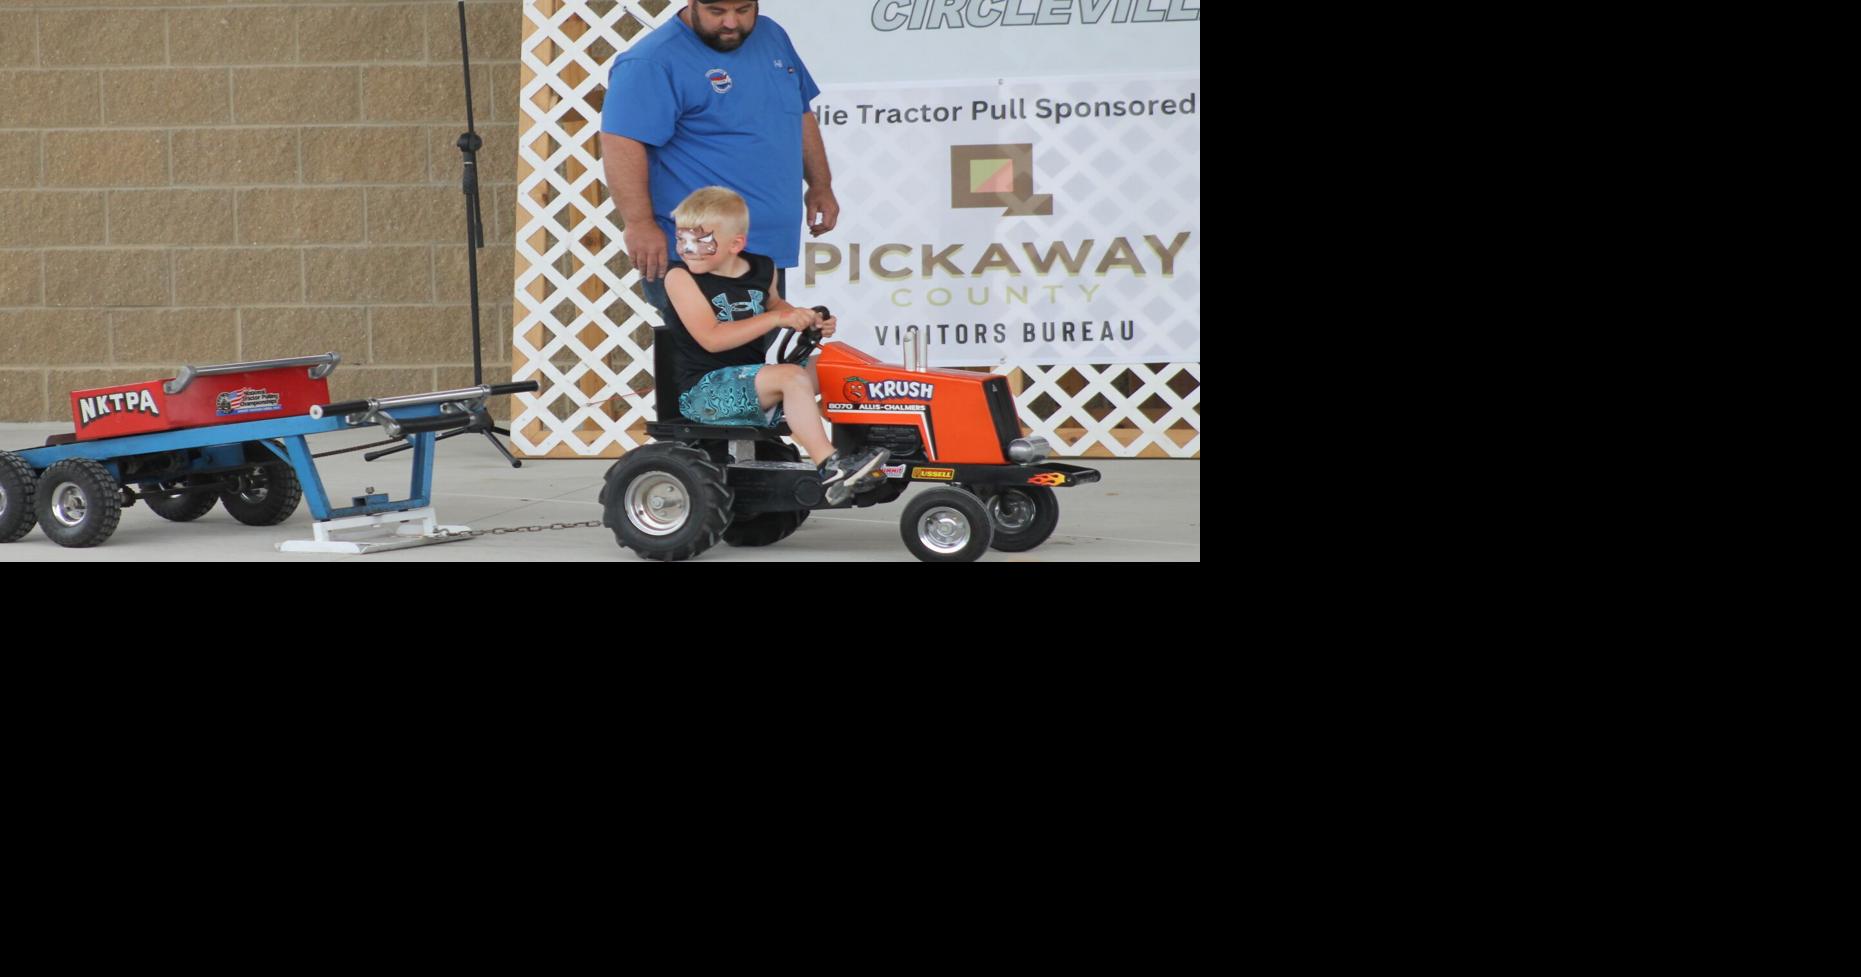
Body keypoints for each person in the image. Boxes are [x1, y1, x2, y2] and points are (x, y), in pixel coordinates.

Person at [599, 0, 839, 318]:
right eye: (716, 11)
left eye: (742, 10)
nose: (730, 23)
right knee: (719, 364)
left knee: (753, 363)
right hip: (698, 253)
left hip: (768, 248)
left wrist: (821, 184)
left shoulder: (772, 36)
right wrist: (639, 223)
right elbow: (621, 142)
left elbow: (800, 112)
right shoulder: (651, 61)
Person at [661, 187, 886, 506]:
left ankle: (862, 451)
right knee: (790, 377)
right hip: (704, 392)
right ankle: (830, 466)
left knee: (838, 365)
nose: (688, 249)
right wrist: (777, 319)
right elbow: (711, 337)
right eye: (681, 239)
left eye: (701, 241)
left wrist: (808, 320)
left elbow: (776, 304)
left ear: (735, 244)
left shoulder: (761, 269)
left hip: (754, 381)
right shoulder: (680, 278)